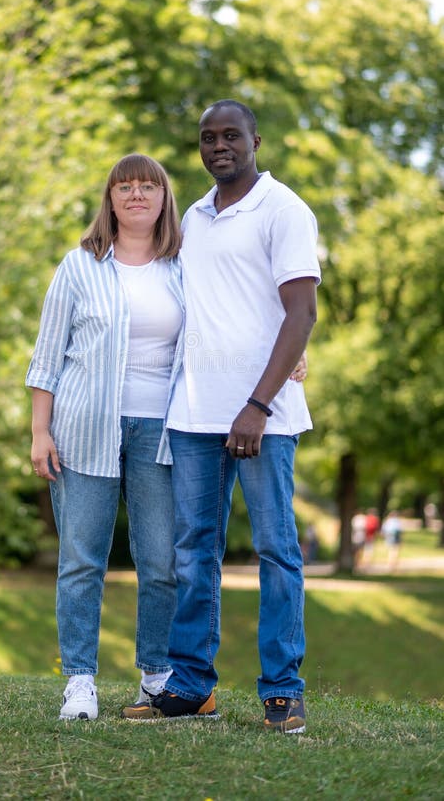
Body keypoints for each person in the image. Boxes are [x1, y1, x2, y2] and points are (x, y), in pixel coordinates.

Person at [124, 100, 320, 733]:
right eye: (208, 138)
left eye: (231, 135)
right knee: (193, 551)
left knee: (275, 549)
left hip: (264, 417)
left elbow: (301, 314)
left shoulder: (285, 209)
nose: (219, 146)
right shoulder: (197, 218)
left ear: (256, 140)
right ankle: (191, 687)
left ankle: (282, 689)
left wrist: (258, 405)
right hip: (194, 412)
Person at [26, 154, 184, 720]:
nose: (137, 195)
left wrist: (292, 353)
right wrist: (40, 431)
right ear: (110, 199)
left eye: (148, 186)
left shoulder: (184, 266)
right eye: (126, 187)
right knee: (81, 558)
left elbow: (234, 317)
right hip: (83, 428)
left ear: (164, 198)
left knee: (162, 559)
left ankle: (156, 676)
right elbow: (47, 357)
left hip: (161, 433)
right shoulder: (79, 265)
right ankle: (80, 680)